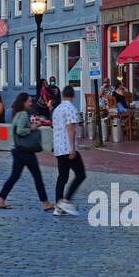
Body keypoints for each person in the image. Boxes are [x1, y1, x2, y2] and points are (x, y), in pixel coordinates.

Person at [0, 93, 55, 212]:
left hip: (17, 150)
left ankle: (0, 200)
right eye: (29, 101)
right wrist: (34, 127)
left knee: (14, 176)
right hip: (25, 151)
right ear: (23, 102)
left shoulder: (16, 114)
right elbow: (20, 131)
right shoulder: (23, 114)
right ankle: (46, 203)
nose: (31, 103)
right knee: (37, 176)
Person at [52, 85, 85, 215]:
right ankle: (65, 201)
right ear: (73, 96)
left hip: (59, 147)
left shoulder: (57, 109)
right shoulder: (71, 109)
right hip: (68, 147)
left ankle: (58, 206)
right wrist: (72, 148)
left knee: (62, 176)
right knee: (80, 174)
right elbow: (70, 127)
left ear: (62, 95)